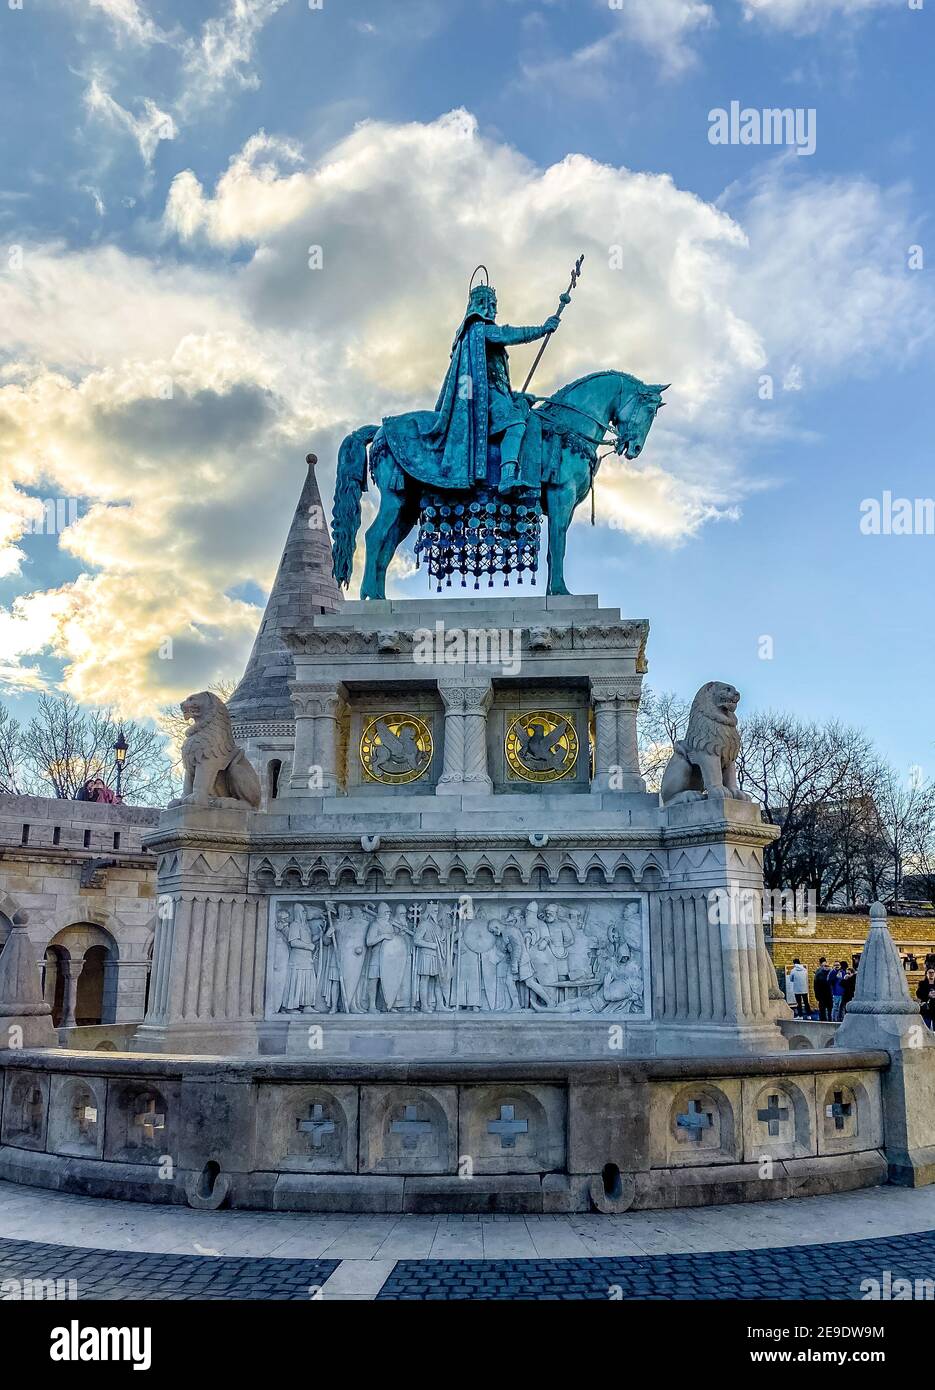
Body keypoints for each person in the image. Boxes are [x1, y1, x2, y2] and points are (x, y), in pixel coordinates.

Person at [814, 957, 832, 1022]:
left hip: (825, 994)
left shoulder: (818, 973)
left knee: (826, 1009)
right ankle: (826, 1020)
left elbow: (815, 985)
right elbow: (816, 985)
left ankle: (826, 1020)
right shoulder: (820, 973)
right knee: (825, 1009)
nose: (826, 967)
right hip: (824, 994)